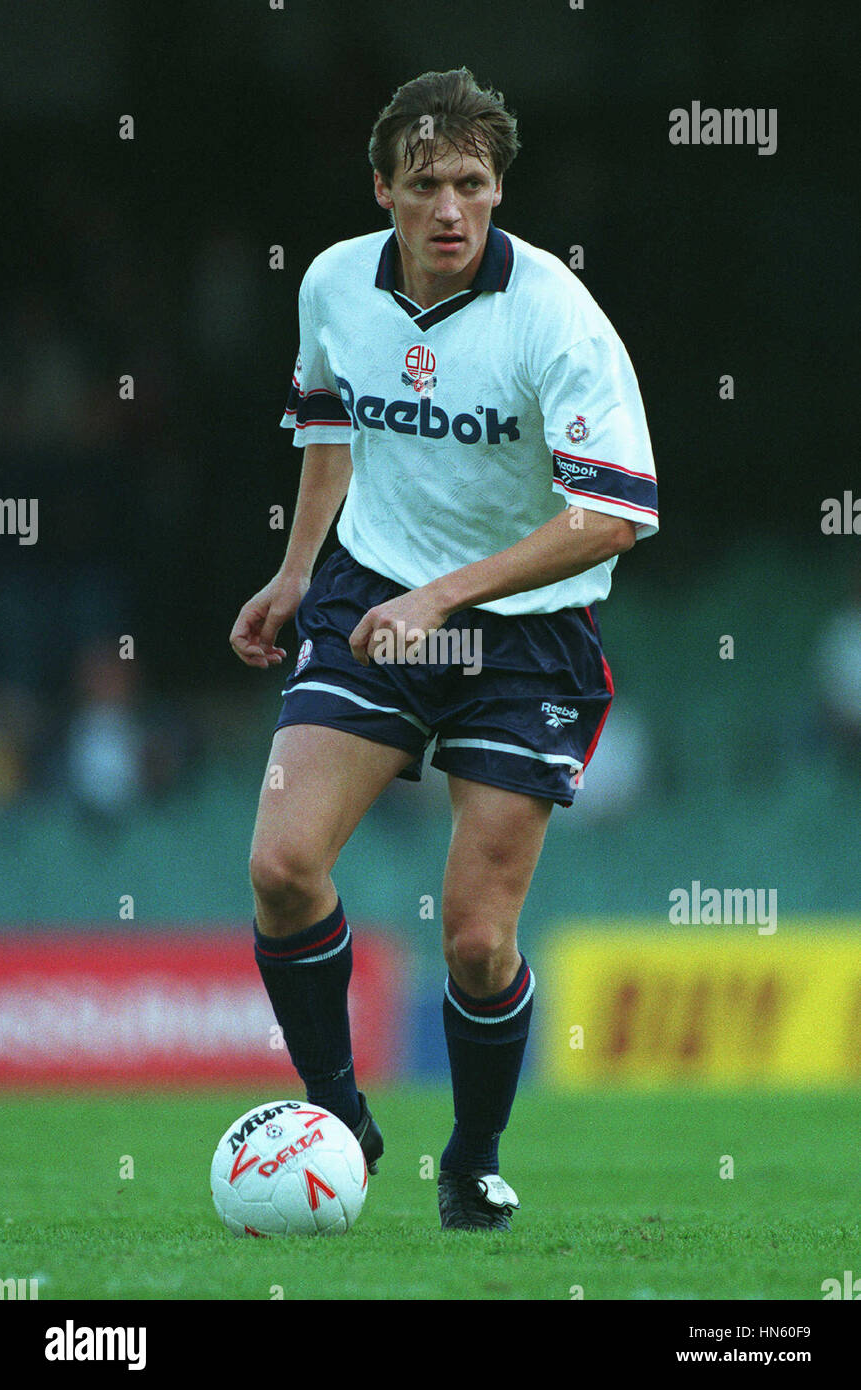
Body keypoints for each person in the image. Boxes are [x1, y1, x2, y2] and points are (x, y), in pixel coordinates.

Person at [229, 68, 658, 1231]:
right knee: (279, 866)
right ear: (384, 190)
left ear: (498, 188)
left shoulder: (554, 314)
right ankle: (338, 1122)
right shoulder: (331, 283)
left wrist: (449, 597)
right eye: (425, 184)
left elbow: (614, 513)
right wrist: (297, 569)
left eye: (471, 182)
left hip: (524, 638)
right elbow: (329, 423)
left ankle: (470, 1154)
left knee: (473, 938)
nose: (450, 208)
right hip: (371, 598)